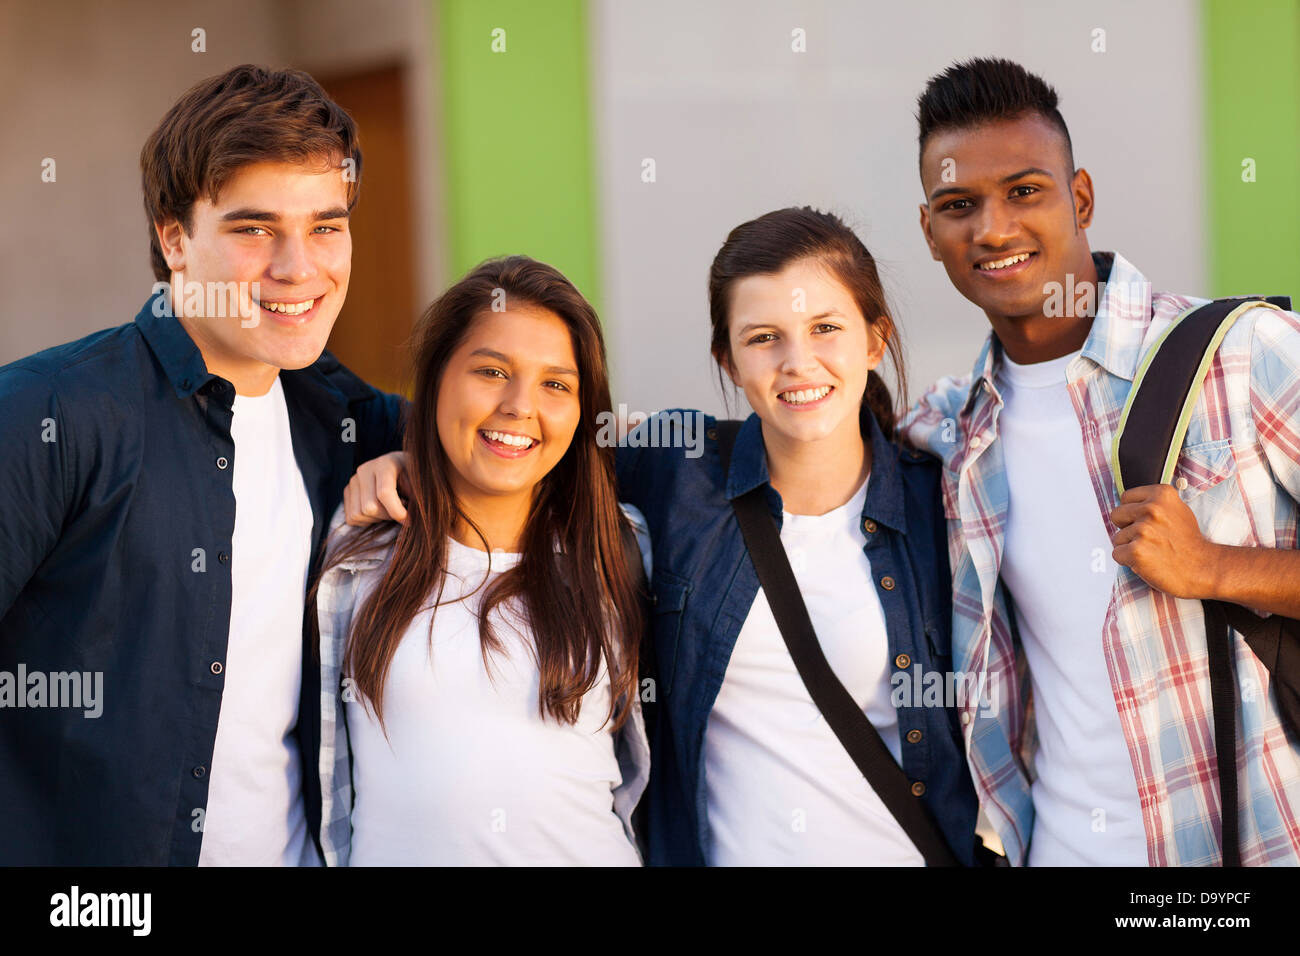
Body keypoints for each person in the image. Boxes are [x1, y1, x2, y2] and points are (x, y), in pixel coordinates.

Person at [345, 207, 980, 866]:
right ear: (726, 359)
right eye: (763, 337)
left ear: (875, 340)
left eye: (825, 328)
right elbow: (531, 441)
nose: (799, 362)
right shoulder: (678, 474)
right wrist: (411, 454)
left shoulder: (945, 504)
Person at [0, 65, 405, 865]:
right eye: (254, 229)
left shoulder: (351, 422)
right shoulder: (48, 412)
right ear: (174, 237)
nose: (298, 268)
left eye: (326, 226)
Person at [902, 57, 1300, 866]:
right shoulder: (957, 429)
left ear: (1079, 198)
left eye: (1024, 191)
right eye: (958, 206)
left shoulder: (1243, 354)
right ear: (931, 232)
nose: (993, 228)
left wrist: (1215, 567)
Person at [314, 256, 649, 866]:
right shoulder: (356, 552)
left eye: (556, 384)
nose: (521, 405)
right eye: (492, 371)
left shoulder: (620, 550)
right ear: (436, 379)